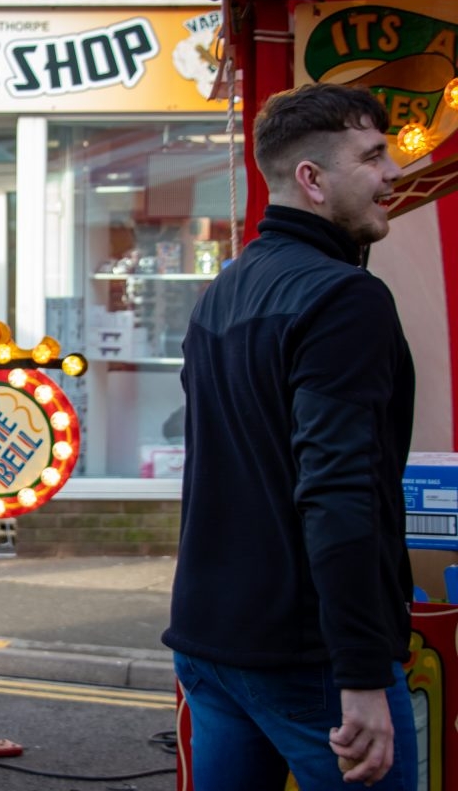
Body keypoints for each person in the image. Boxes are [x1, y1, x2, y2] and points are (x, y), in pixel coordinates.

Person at [163, 82, 416, 790]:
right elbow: (338, 491)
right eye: (372, 157)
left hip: (211, 643)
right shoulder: (345, 299)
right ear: (312, 179)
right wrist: (363, 674)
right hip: (313, 659)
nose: (393, 173)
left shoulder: (224, 290)